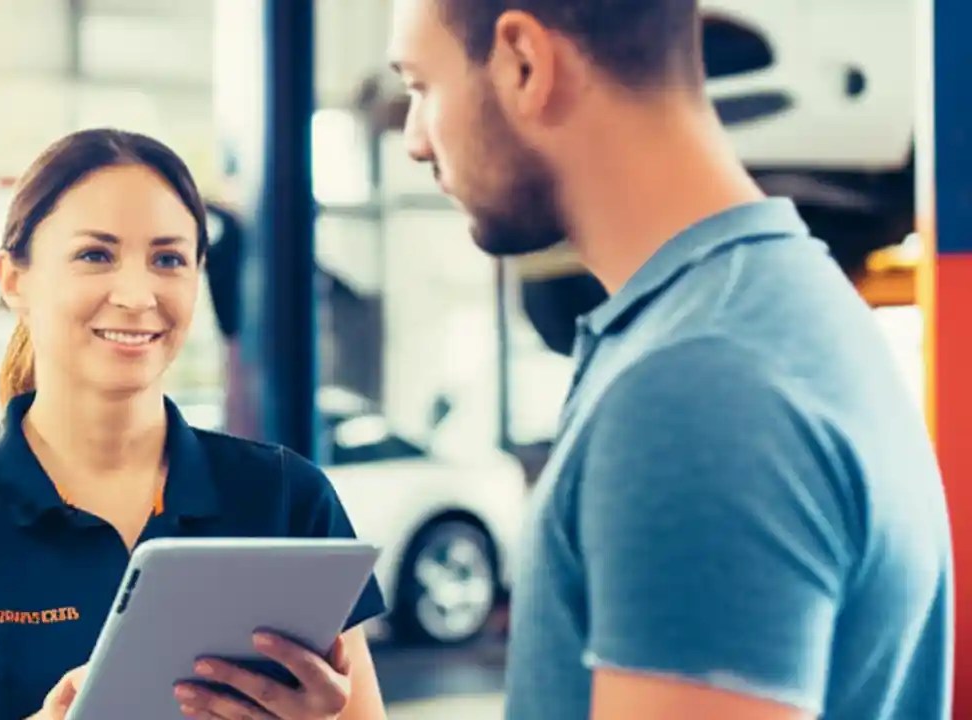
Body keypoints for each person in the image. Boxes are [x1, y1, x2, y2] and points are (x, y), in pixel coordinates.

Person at [388, 2, 951, 719]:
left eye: (420, 86)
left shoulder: (696, 388)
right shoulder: (765, 315)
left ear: (524, 63)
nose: (413, 139)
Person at [0, 128, 389, 720]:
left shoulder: (286, 498)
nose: (137, 293)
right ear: (14, 279)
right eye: (96, 255)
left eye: (168, 259)